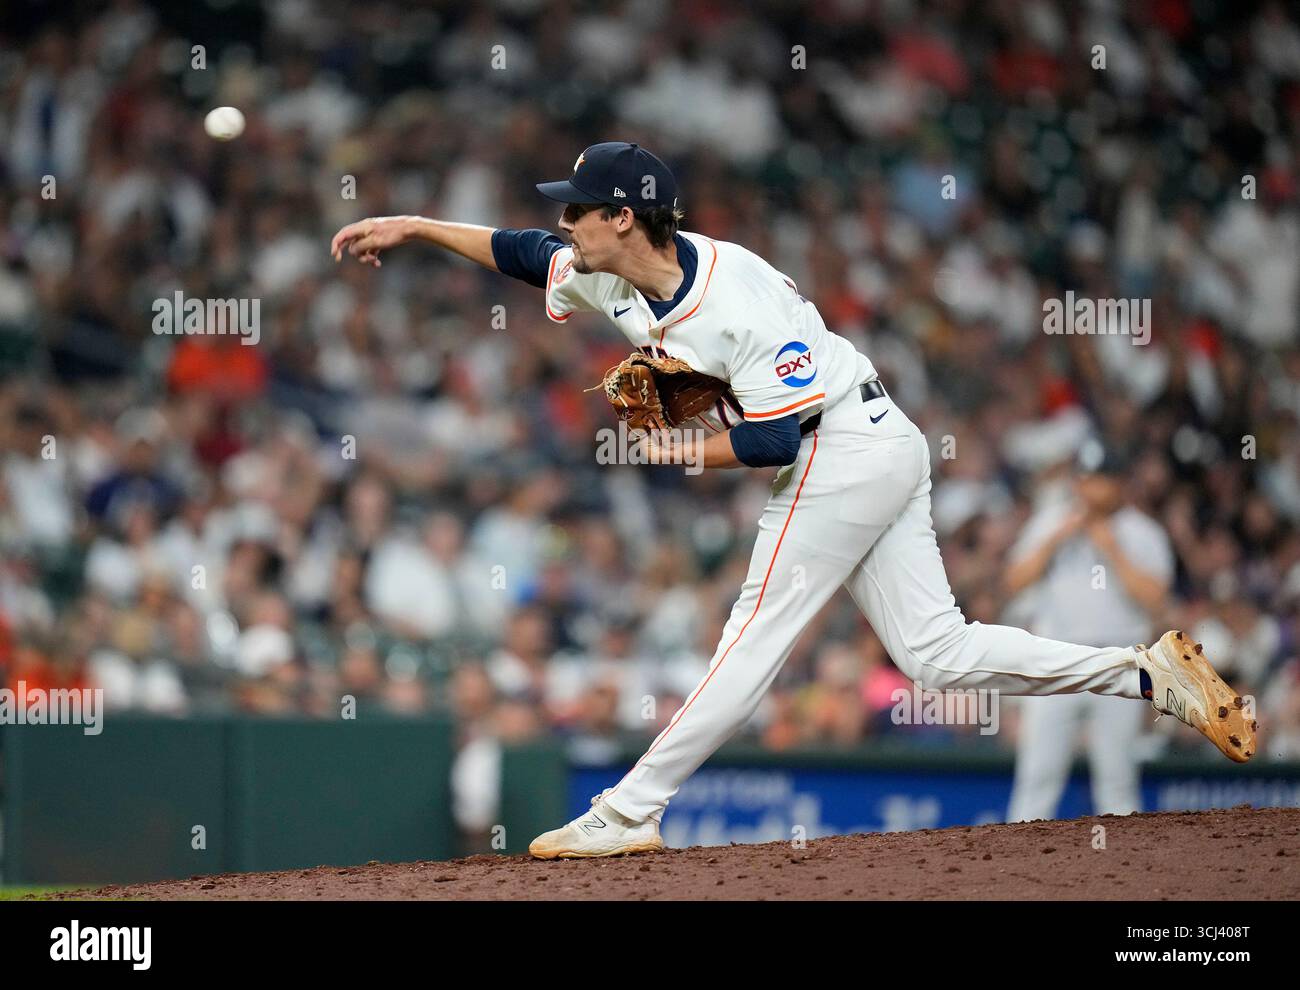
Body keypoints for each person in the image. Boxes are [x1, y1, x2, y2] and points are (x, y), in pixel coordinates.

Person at [330, 141, 1257, 859]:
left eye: (578, 209)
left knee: (754, 633)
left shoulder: (736, 297)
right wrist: (411, 225)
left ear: (623, 215)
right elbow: (522, 252)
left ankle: (628, 810)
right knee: (936, 652)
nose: (564, 221)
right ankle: (1147, 675)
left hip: (841, 446)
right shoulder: (600, 265)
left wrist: (683, 447)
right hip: (869, 444)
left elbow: (776, 438)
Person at [1004, 441, 1174, 822]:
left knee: (1116, 778)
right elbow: (1013, 580)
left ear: (1120, 484)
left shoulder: (1142, 532)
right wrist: (1054, 541)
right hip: (1055, 659)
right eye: (1086, 478)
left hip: (1119, 662)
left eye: (1101, 479)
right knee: (1037, 776)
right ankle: (1015, 867)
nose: (1091, 488)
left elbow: (1156, 600)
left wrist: (1113, 551)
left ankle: (1124, 871)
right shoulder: (1052, 522)